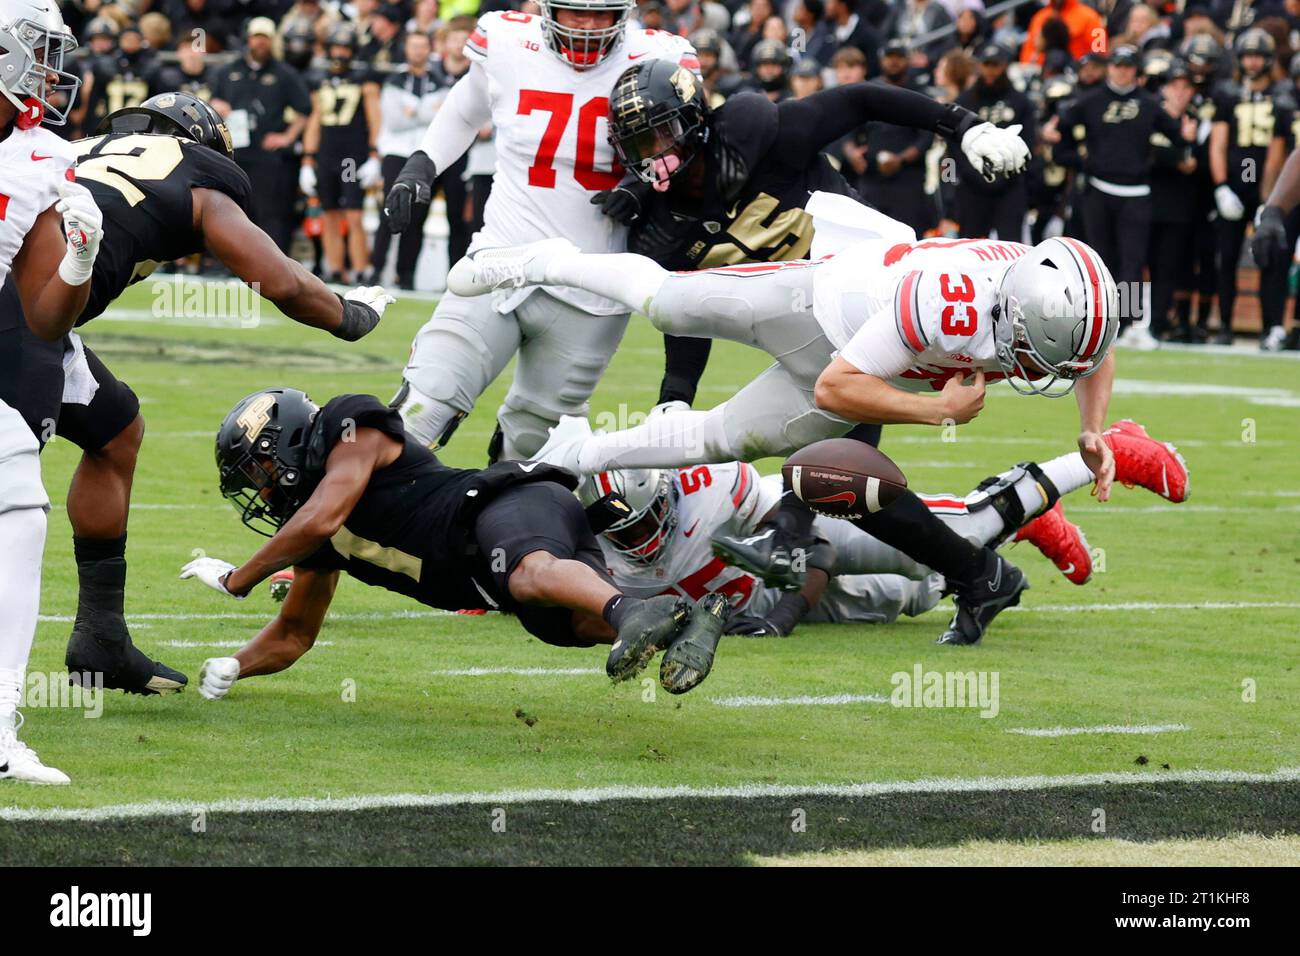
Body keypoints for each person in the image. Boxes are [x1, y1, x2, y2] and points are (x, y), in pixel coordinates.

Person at [445, 227, 1154, 646]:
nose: (1034, 370)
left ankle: (568, 459)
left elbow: (1097, 347)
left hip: (869, 363)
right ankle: (540, 259)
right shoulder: (949, 309)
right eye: (1032, 352)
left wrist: (1091, 429)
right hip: (815, 310)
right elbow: (837, 389)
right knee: (667, 302)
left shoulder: (1054, 302)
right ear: (1012, 308)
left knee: (717, 442)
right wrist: (937, 412)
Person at [2, 93, 394, 701]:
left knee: (115, 430)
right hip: (20, 317)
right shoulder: (195, 171)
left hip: (30, 308)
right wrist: (349, 314)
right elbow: (280, 279)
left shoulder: (75, 150)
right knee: (13, 492)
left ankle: (100, 636)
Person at [180, 390, 731, 698]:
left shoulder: (348, 425)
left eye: (260, 470)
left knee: (530, 576)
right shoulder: (312, 530)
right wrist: (235, 663)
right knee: (571, 625)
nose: (262, 487)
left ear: (292, 442)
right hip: (490, 570)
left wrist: (237, 579)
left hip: (503, 505)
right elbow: (295, 633)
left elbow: (324, 516)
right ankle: (685, 618)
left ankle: (630, 608)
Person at [590, 57, 1028, 410]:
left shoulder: (765, 139)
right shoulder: (660, 228)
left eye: (659, 136)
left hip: (876, 285)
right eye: (638, 145)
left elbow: (860, 100)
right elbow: (688, 313)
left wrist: (962, 126)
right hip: (804, 335)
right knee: (826, 468)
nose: (652, 156)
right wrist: (675, 400)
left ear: (693, 120)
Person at [381, 1, 699, 459]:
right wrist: (422, 163)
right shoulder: (509, 41)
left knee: (534, 445)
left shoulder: (657, 55)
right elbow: (468, 111)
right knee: (424, 403)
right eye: (574, 12)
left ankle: (493, 526)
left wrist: (640, 184)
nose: (588, 25)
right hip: (500, 258)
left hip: (594, 286)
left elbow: (685, 142)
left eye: (601, 14)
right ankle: (363, 525)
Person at [582, 423, 1185, 638]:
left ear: (667, 495)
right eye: (625, 537)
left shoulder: (709, 490)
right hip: (766, 596)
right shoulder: (597, 556)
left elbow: (808, 551)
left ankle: (1104, 454)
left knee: (962, 536)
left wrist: (780, 618)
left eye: (647, 526)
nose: (642, 543)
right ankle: (1028, 525)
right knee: (919, 592)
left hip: (810, 528)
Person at [0, 0, 105, 784]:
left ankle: (0, 722)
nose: (53, 67)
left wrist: (79, 258)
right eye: (37, 49)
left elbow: (44, 316)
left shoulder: (46, 157)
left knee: (18, 498)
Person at [1050, 45, 1189, 346]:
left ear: (1136, 72)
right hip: (1098, 188)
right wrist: (1084, 163)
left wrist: (1161, 151)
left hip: (1136, 190)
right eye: (1117, 65)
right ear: (1109, 67)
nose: (1122, 71)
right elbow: (1059, 142)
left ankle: (1130, 323)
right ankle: (1102, 322)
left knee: (1133, 260)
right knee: (1101, 259)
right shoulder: (1089, 102)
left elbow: (1178, 140)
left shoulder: (1150, 105)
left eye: (1128, 66)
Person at [1209, 29, 1291, 348]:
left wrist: (1269, 199)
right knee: (1226, 258)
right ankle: (1225, 325)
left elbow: (1277, 151)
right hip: (1234, 183)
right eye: (1248, 55)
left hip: (1262, 185)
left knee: (1268, 257)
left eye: (1258, 55)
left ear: (1269, 59)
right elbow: (1218, 143)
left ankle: (1271, 327)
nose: (1252, 61)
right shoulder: (1227, 94)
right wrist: (1219, 187)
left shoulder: (1280, 98)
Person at [210, 17, 313, 254]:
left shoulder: (284, 74)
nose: (260, 43)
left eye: (265, 38)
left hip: (267, 157)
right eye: (257, 37)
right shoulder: (228, 71)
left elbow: (305, 109)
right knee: (231, 210)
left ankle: (271, 263)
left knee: (270, 213)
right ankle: (230, 261)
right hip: (233, 154)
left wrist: (287, 137)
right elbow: (211, 102)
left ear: (272, 41)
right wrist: (217, 107)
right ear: (249, 39)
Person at [300, 22, 383, 285]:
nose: (340, 53)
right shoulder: (319, 79)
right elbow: (314, 119)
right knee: (329, 212)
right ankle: (335, 268)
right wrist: (307, 158)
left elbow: (375, 117)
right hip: (326, 153)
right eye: (336, 46)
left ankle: (361, 269)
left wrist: (374, 154)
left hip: (352, 155)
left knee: (354, 214)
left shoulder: (364, 78)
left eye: (345, 48)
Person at [369, 30, 442, 290]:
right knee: (388, 210)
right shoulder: (393, 80)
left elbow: (442, 118)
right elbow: (396, 121)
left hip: (425, 156)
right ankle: (376, 270)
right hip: (396, 153)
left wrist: (414, 111)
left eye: (423, 46)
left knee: (418, 216)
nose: (418, 51)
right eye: (413, 46)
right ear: (406, 49)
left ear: (430, 49)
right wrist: (426, 111)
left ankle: (406, 274)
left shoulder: (440, 80)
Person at [953, 43, 1037, 241]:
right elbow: (952, 148)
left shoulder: (1020, 101)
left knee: (1011, 249)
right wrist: (967, 177)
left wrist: (1005, 175)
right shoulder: (964, 101)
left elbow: (1029, 143)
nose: (990, 71)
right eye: (986, 65)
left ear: (1005, 66)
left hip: (1010, 186)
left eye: (995, 65)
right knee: (970, 248)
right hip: (971, 188)